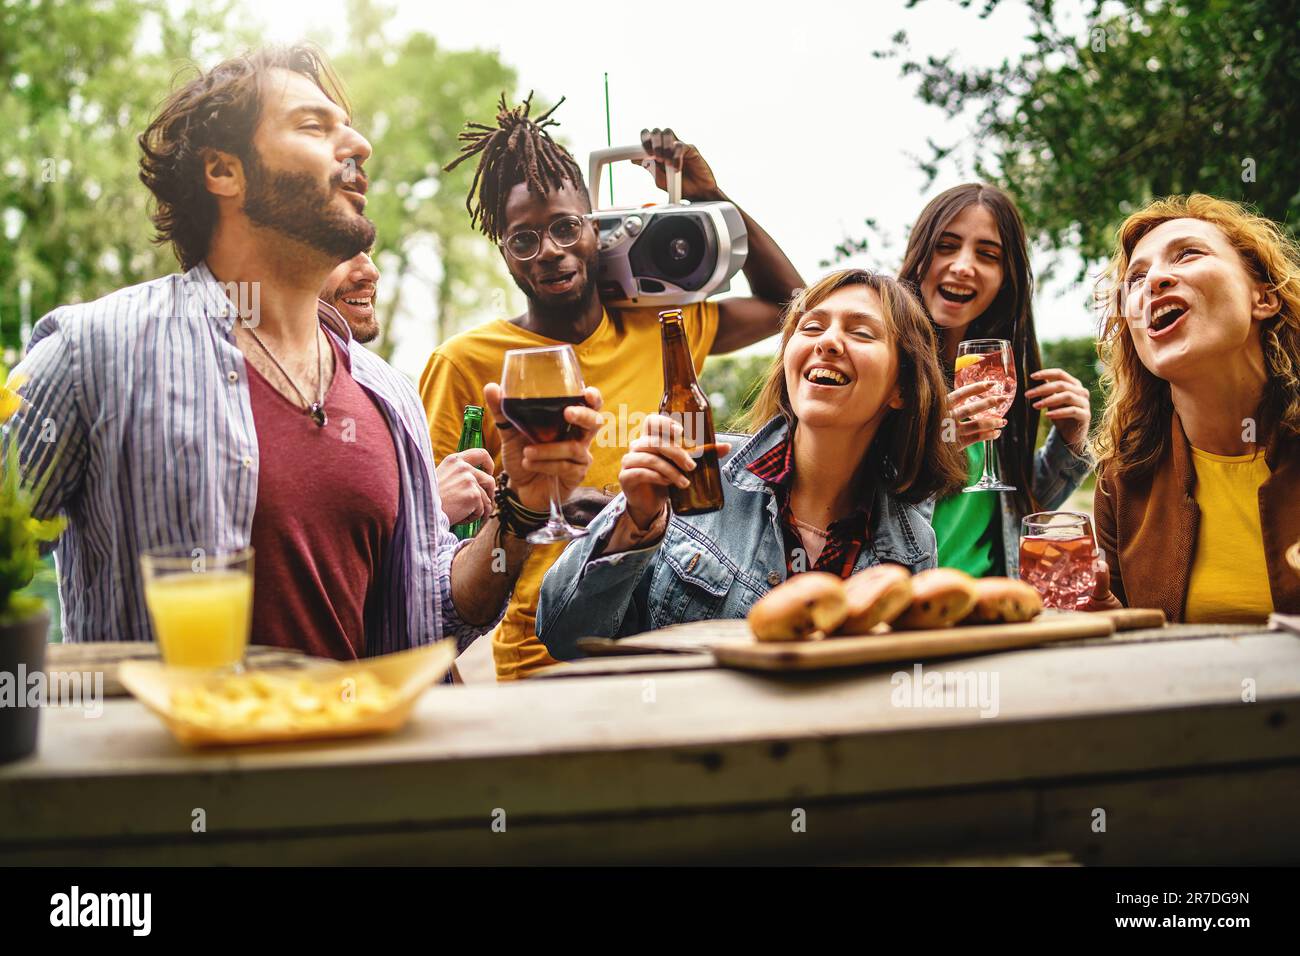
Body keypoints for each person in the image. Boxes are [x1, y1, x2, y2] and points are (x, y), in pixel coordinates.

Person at [12, 45, 602, 659]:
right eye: (314, 126)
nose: (359, 145)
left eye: (347, 127)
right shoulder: (95, 352)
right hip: (168, 754)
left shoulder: (387, 395)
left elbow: (434, 610)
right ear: (224, 171)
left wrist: (522, 510)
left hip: (357, 752)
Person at [421, 95, 805, 680]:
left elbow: (794, 308)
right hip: (540, 664)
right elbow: (432, 534)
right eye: (523, 239)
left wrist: (713, 198)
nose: (549, 251)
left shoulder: (665, 326)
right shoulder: (466, 362)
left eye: (565, 227)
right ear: (502, 249)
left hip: (668, 640)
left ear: (594, 228)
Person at [535, 269, 968, 656]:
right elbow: (561, 633)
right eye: (812, 326)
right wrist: (636, 522)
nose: (828, 341)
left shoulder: (913, 546)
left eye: (861, 333)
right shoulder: (694, 471)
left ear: (901, 389)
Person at [1086, 194, 1300, 621]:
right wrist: (1111, 617)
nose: (1154, 281)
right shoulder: (1124, 480)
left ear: (1264, 298)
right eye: (1136, 278)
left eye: (1188, 254)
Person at [899, 183, 1093, 578]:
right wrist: (932, 444)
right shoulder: (887, 374)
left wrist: (1070, 442)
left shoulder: (995, 379)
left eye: (988, 255)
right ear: (919, 256)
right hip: (911, 611)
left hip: (989, 612)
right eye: (946, 246)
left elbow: (1014, 507)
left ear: (1005, 277)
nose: (964, 265)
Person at [321, 250, 495, 527]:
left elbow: (431, 561)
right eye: (341, 251)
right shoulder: (242, 381)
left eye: (369, 250)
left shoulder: (393, 389)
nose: (371, 271)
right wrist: (430, 509)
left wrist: (521, 509)